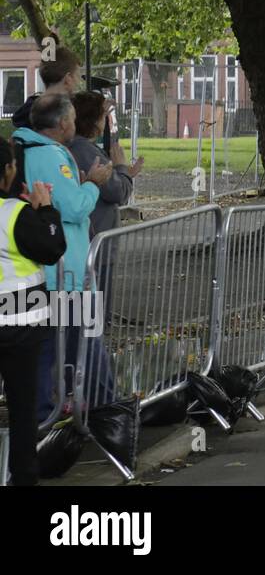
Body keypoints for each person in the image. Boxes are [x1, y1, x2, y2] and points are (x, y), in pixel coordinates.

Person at [15, 94, 113, 422]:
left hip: (37, 272)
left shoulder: (24, 149)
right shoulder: (50, 155)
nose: (74, 124)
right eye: (71, 118)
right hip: (65, 272)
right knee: (86, 345)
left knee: (44, 352)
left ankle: (46, 416)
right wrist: (93, 185)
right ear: (61, 124)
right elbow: (72, 208)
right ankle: (104, 412)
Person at [0, 137, 66, 486]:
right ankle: (22, 477)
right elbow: (52, 246)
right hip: (20, 323)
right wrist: (46, 210)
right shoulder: (16, 214)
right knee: (21, 407)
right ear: (8, 172)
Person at [70, 92, 143, 238]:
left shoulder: (73, 146)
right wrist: (121, 169)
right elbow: (117, 192)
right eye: (103, 116)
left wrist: (123, 173)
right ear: (96, 121)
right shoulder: (87, 152)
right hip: (97, 238)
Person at [12, 45, 80, 131]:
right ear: (68, 78)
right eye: (77, 75)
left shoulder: (25, 115)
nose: (79, 81)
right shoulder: (68, 114)